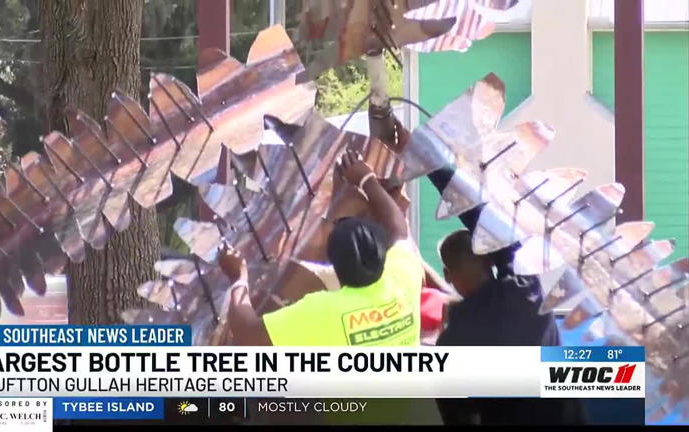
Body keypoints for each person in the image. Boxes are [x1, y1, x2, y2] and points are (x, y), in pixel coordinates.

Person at [220, 149, 424, 346]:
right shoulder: (404, 276)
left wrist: (238, 278)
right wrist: (366, 179)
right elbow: (398, 228)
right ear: (381, 252)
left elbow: (249, 335)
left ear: (333, 266)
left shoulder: (325, 311)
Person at [434, 229, 584, 425]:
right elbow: (508, 245)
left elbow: (458, 415)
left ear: (447, 275)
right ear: (489, 261)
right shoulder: (528, 291)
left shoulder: (450, 344)